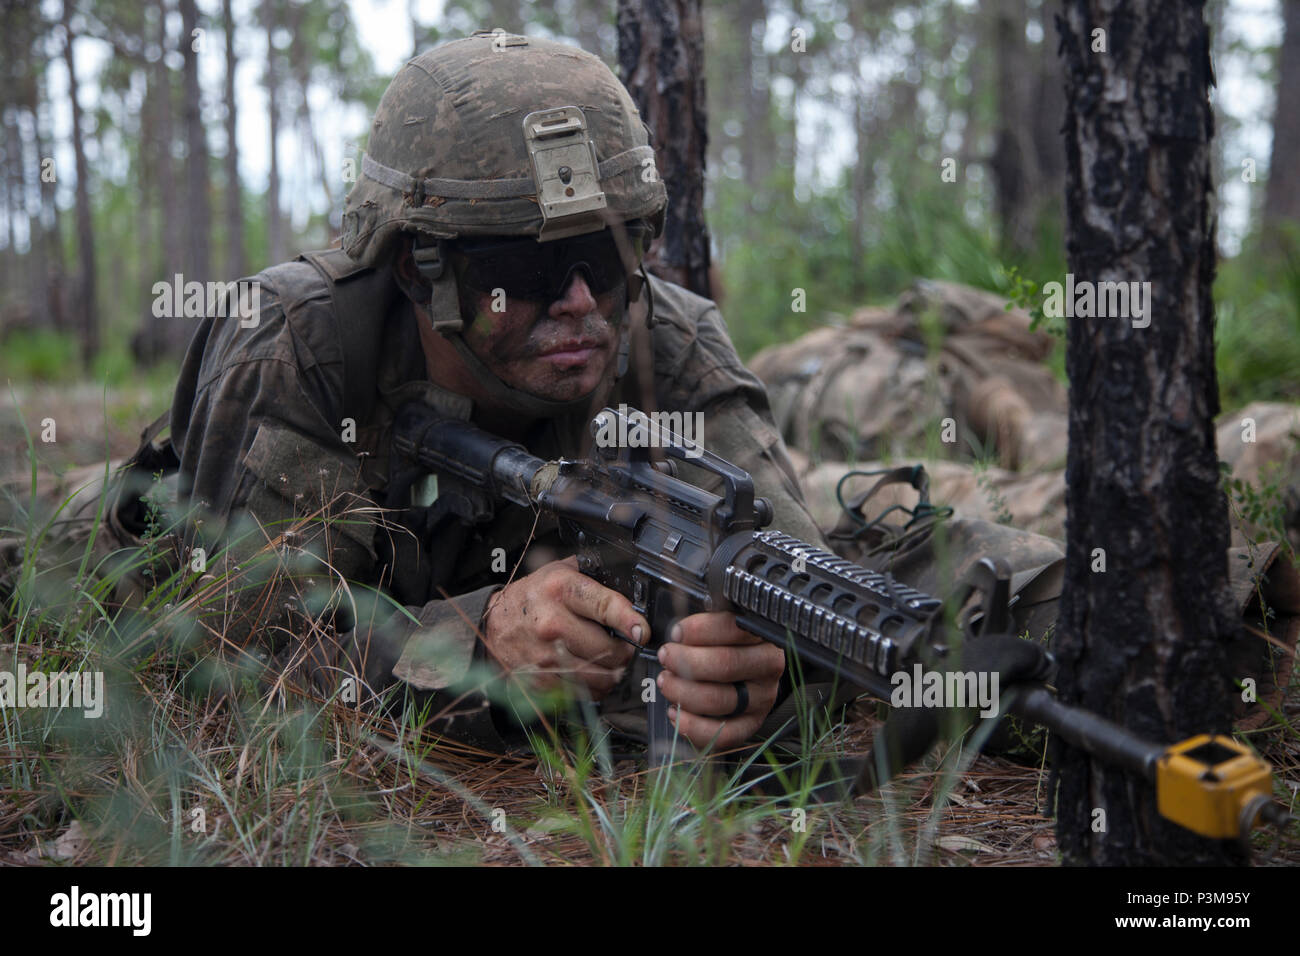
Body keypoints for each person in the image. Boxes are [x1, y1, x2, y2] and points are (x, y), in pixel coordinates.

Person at [143, 32, 833, 754]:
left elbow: (804, 587)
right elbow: (236, 661)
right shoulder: (300, 343)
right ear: (418, 270)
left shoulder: (670, 339)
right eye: (524, 272)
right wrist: (476, 645)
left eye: (604, 256)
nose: (578, 304)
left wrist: (764, 670)